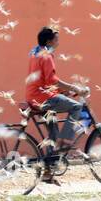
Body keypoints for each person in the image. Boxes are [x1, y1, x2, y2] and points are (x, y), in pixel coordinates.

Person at [25, 26, 92, 185]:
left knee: (53, 133)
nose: (58, 42)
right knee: (76, 107)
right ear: (49, 41)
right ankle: (65, 142)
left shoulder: (35, 52)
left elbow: (44, 81)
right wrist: (74, 88)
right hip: (43, 98)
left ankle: (48, 172)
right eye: (56, 39)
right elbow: (52, 80)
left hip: (34, 97)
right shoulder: (47, 56)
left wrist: (63, 91)